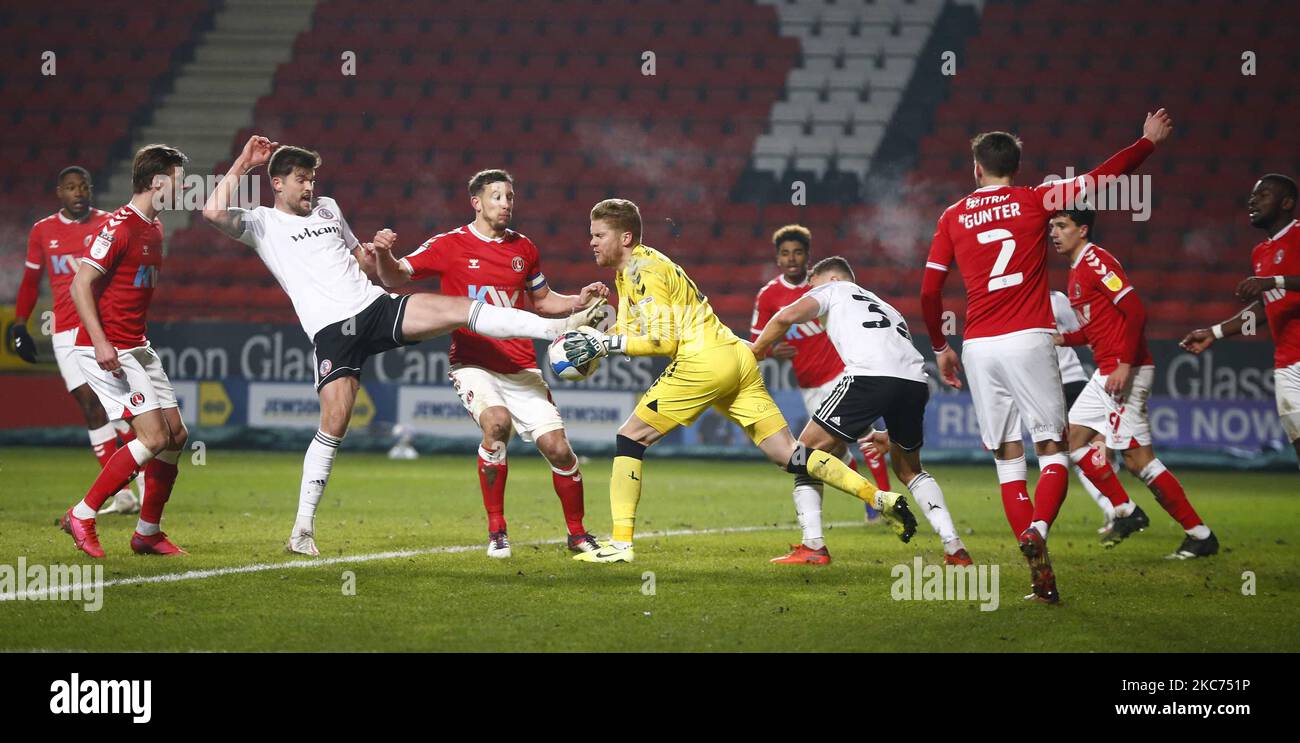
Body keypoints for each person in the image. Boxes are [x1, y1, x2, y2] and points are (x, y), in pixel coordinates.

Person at [202, 135, 607, 555]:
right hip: (331, 331)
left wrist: (377, 253)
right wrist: (244, 163)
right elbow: (212, 211)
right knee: (335, 423)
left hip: (374, 307)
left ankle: (561, 330)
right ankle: (302, 531)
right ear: (278, 184)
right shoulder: (262, 223)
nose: (310, 187)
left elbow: (360, 258)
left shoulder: (329, 208)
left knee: (459, 308)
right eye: (302, 180)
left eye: (313, 179)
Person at [561, 199, 916, 564]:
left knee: (629, 437)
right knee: (790, 454)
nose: (591, 242)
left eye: (598, 235)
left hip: (702, 362)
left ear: (625, 237)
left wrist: (607, 343)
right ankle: (881, 499)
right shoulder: (633, 269)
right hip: (734, 356)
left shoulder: (644, 271)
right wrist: (596, 335)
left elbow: (661, 341)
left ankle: (620, 544)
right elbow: (632, 329)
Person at [919, 109, 1173, 602]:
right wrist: (1146, 143)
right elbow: (1100, 181)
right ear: (1016, 166)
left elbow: (930, 293)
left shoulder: (952, 216)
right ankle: (1039, 526)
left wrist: (940, 347)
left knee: (1006, 458)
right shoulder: (1037, 199)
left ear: (976, 168)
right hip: (1030, 337)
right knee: (1051, 447)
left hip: (979, 345)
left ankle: (1041, 576)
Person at [370, 168, 606, 557]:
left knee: (559, 449)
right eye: (497, 197)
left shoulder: (523, 248)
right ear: (476, 202)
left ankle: (577, 535)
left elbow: (544, 302)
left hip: (521, 366)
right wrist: (383, 254)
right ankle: (497, 530)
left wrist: (578, 300)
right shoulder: (450, 245)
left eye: (510, 197)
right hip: (473, 363)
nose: (506, 204)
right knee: (496, 424)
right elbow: (395, 278)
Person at [752, 257, 968, 566]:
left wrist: (757, 351)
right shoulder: (887, 307)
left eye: (811, 284)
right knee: (910, 470)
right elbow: (897, 364)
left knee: (800, 455)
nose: (808, 290)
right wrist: (890, 433)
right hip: (916, 383)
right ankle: (954, 547)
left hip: (868, 378)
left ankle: (813, 545)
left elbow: (785, 317)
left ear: (831, 279)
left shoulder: (834, 290)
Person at [1051, 208, 1217, 558]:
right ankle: (1125, 510)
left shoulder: (1096, 262)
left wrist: (1125, 365)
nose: (1054, 232)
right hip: (1106, 371)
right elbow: (1096, 328)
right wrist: (1062, 339)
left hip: (1125, 370)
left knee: (1139, 461)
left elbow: (1135, 310)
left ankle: (1199, 534)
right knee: (1074, 439)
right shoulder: (1076, 271)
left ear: (1082, 230)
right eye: (1052, 226)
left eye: (1062, 226)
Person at [61, 145, 193, 558]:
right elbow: (79, 284)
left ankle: (147, 532)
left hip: (138, 346)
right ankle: (82, 514)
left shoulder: (154, 228)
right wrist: (101, 341)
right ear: (158, 183)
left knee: (176, 435)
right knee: (152, 436)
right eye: (179, 179)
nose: (184, 186)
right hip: (108, 347)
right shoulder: (119, 226)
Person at [9, 166, 143, 514]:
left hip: (103, 328)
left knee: (122, 409)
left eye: (83, 186)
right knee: (91, 407)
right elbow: (30, 281)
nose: (78, 192)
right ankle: (124, 493)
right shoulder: (43, 230)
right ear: (60, 192)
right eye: (71, 187)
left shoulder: (109, 223)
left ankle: (142, 479)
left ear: (91, 190)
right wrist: (19, 325)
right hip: (65, 332)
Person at [749, 224, 887, 524]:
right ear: (777, 258)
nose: (792, 259)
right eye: (785, 253)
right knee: (834, 453)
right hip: (809, 385)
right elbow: (757, 339)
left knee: (865, 435)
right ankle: (871, 497)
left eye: (798, 252)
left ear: (808, 256)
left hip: (842, 374)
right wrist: (773, 351)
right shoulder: (769, 295)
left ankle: (882, 502)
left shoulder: (824, 288)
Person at [1180, 174, 1300, 469]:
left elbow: (1274, 286)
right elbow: (1264, 309)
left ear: (1287, 203)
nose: (1252, 200)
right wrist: (1215, 332)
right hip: (1286, 365)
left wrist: (1272, 281)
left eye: (1263, 195)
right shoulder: (1260, 252)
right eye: (1252, 195)